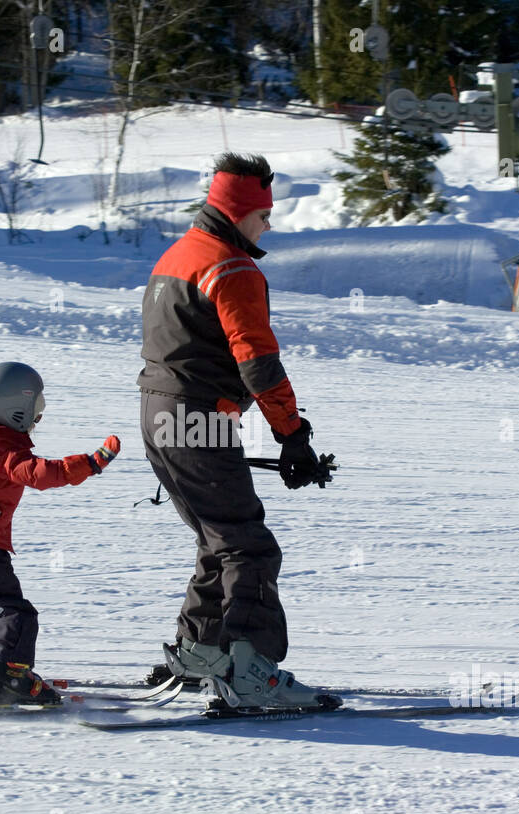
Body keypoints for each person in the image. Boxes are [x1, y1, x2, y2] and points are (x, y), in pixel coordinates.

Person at [138, 152, 337, 710]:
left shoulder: (177, 255)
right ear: (239, 211)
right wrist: (292, 434)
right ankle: (252, 671)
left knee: (218, 537)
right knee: (248, 546)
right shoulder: (232, 266)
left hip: (158, 413)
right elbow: (258, 363)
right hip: (196, 418)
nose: (268, 225)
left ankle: (201, 651)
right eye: (263, 213)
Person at [0, 362, 120, 706]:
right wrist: (88, 464)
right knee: (16, 612)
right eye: (36, 410)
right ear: (15, 409)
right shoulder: (1, 447)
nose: (38, 418)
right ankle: (13, 678)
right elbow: (38, 474)